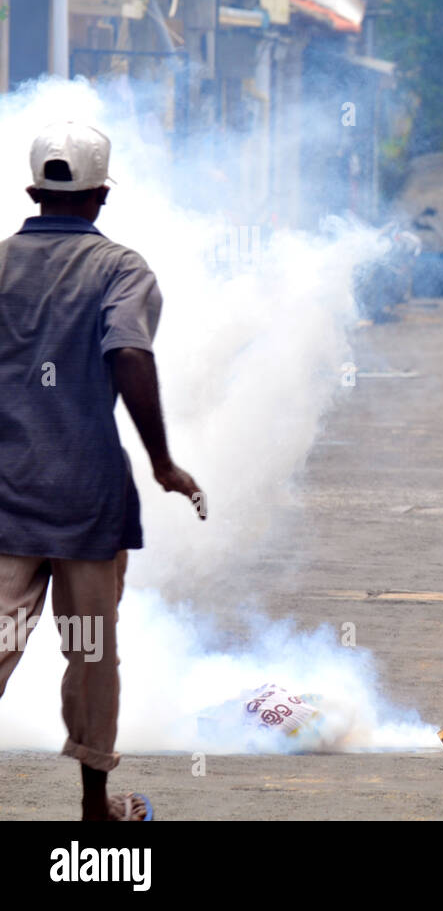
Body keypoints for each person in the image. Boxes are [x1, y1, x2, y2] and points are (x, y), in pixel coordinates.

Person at [0, 122, 203, 820]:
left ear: (32, 191)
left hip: (6, 500)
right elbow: (130, 353)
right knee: (91, 654)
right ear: (99, 197)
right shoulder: (121, 268)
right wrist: (161, 461)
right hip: (86, 503)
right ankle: (94, 806)